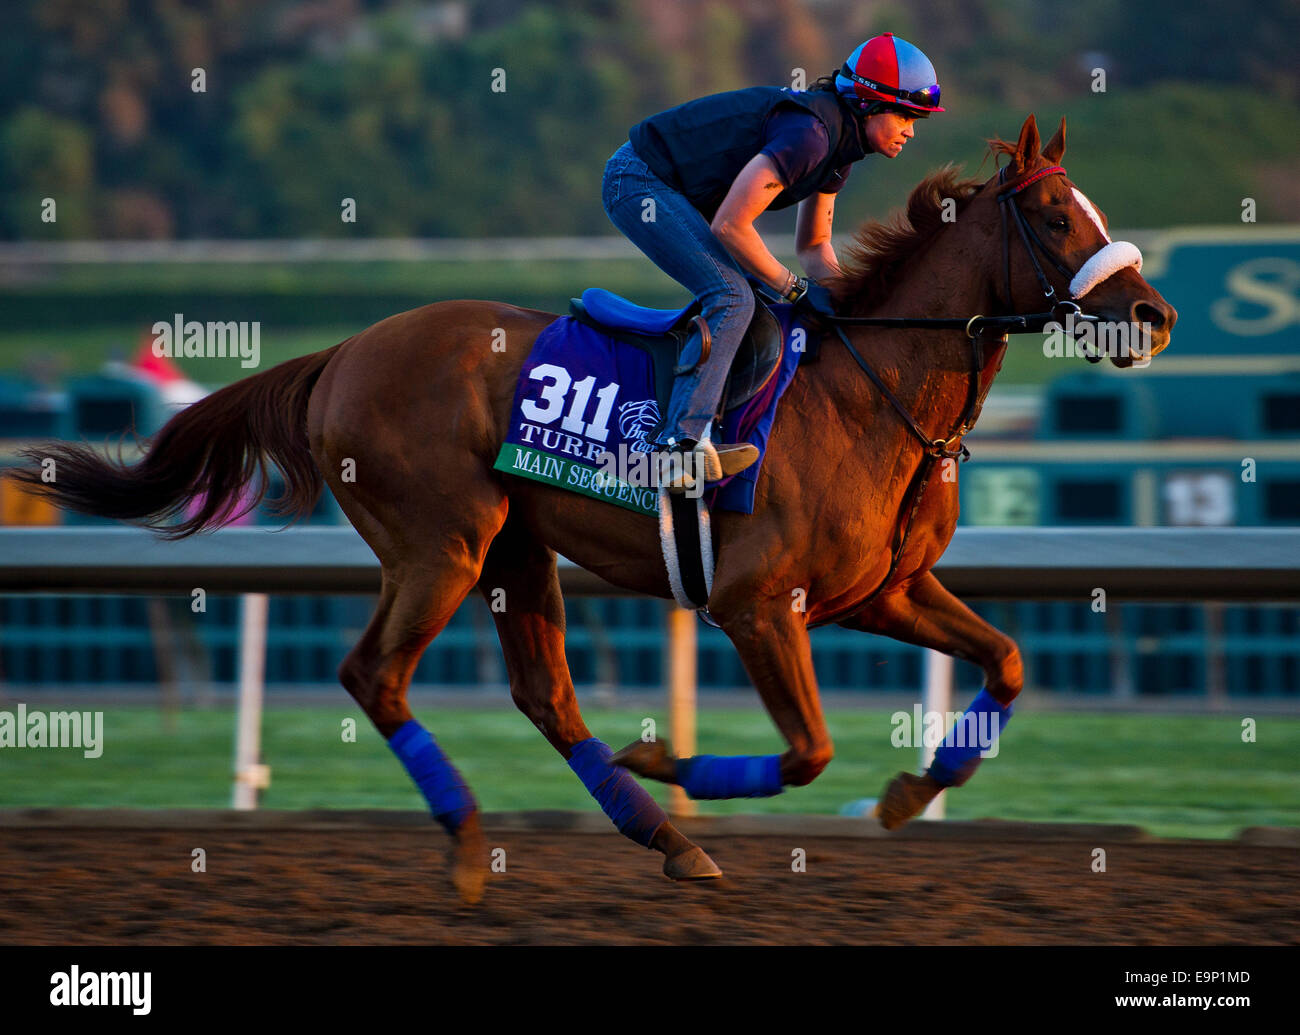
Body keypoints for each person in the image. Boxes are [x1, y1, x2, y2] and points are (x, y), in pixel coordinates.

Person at [602, 32, 944, 491]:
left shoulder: (840, 151)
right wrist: (797, 289)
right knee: (732, 296)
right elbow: (730, 226)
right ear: (866, 103)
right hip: (638, 181)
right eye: (904, 114)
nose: (911, 129)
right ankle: (676, 446)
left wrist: (853, 304)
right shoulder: (810, 137)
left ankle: (715, 422)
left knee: (758, 297)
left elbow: (815, 246)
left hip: (680, 194)